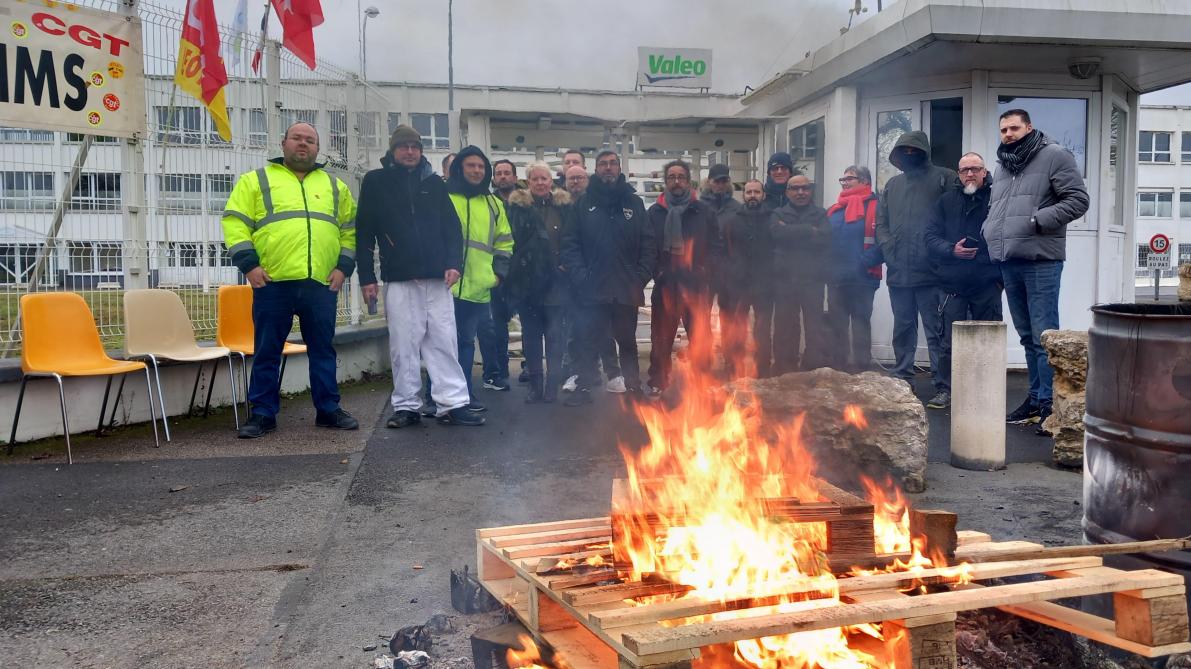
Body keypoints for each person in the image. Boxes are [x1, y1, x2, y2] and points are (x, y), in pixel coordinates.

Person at [221, 122, 359, 438]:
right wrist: (249, 265)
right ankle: (263, 414)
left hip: (320, 282)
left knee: (323, 349)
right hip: (273, 282)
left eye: (310, 140)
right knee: (267, 350)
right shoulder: (256, 181)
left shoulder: (335, 186)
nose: (303, 144)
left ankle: (328, 409)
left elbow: (349, 230)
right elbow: (235, 223)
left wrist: (343, 268)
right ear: (283, 143)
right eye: (296, 138)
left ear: (317, 148)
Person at [356, 125, 483, 427]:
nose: (410, 151)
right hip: (399, 278)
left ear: (422, 150)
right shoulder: (376, 182)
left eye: (415, 146)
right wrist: (367, 278)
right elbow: (364, 233)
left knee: (444, 341)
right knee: (404, 345)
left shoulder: (435, 184)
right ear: (393, 151)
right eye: (403, 147)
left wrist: (454, 263)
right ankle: (407, 406)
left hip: (438, 278)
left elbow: (452, 228)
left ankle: (452, 403)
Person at [983, 109, 1089, 430]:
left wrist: (1037, 220)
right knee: (1027, 336)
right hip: (1010, 259)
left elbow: (1078, 200)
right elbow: (998, 209)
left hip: (1041, 258)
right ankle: (1035, 398)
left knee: (1045, 336)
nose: (1008, 134)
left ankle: (1049, 404)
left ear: (1029, 127)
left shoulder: (1054, 155)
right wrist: (989, 229)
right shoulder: (1004, 166)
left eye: (1014, 128)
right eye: (1003, 130)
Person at [560, 150, 655, 406]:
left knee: (627, 341)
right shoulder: (583, 203)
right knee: (588, 340)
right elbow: (570, 244)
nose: (608, 168)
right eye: (603, 164)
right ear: (596, 169)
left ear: (619, 168)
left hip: (627, 287)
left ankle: (634, 387)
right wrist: (581, 276)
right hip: (593, 287)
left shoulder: (633, 203)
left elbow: (648, 242)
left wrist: (641, 277)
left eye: (613, 163)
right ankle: (583, 388)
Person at [876, 130, 957, 392]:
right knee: (903, 327)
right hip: (899, 270)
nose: (909, 154)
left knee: (937, 331)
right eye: (904, 150)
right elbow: (881, 222)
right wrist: (888, 248)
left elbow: (955, 217)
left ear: (924, 151)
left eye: (914, 150)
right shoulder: (893, 185)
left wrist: (941, 252)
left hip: (932, 271)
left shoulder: (945, 177)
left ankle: (942, 383)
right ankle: (902, 376)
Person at [923, 152, 1003, 409]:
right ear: (958, 174)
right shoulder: (945, 201)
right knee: (947, 342)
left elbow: (1007, 236)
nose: (969, 174)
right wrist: (951, 249)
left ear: (984, 171)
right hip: (952, 284)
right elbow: (929, 237)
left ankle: (988, 392)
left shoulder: (997, 200)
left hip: (987, 282)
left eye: (975, 169)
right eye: (964, 170)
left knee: (987, 340)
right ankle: (945, 389)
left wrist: (999, 278)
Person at [445, 146, 514, 407]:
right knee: (441, 345)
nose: (476, 171)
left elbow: (505, 242)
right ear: (460, 168)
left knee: (465, 343)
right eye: (470, 165)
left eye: (481, 167)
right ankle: (434, 398)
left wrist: (498, 275)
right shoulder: (444, 196)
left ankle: (463, 398)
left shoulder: (494, 204)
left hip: (478, 287)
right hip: (444, 286)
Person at [646, 160, 721, 396]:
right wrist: (657, 272)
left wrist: (704, 270)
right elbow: (647, 247)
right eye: (671, 177)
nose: (676, 181)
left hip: (695, 286)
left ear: (688, 181)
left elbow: (716, 247)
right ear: (665, 182)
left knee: (700, 338)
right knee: (661, 338)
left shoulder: (703, 211)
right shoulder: (655, 213)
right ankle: (658, 381)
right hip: (666, 285)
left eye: (681, 177)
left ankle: (703, 381)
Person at [505, 162, 573, 403]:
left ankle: (552, 386)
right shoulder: (517, 209)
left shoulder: (564, 208)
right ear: (528, 182)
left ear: (551, 181)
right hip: (528, 283)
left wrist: (567, 264)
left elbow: (571, 239)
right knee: (531, 338)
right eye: (536, 179)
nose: (541, 183)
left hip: (557, 283)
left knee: (555, 337)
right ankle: (535, 386)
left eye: (545, 178)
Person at [559, 164, 623, 393]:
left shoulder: (596, 205)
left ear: (587, 179)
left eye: (579, 178)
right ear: (564, 181)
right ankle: (578, 374)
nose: (575, 182)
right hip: (570, 279)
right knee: (575, 331)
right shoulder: (560, 206)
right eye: (571, 178)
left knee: (604, 329)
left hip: (599, 278)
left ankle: (613, 374)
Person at [770, 174, 830, 374]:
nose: (800, 192)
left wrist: (791, 231)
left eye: (804, 188)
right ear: (787, 192)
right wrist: (809, 231)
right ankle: (784, 368)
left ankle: (813, 368)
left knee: (815, 327)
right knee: (785, 327)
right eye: (795, 189)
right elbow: (776, 234)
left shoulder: (821, 214)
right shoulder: (777, 213)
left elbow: (825, 238)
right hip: (784, 280)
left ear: (810, 191)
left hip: (812, 280)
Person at [826, 165, 882, 373]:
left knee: (860, 325)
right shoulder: (835, 209)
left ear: (865, 182)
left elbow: (885, 240)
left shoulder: (877, 206)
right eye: (844, 179)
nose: (846, 182)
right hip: (836, 278)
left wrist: (865, 261)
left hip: (863, 278)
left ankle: (861, 369)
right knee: (837, 325)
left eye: (850, 178)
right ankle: (838, 368)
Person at [717, 178, 775, 378]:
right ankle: (734, 369)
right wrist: (728, 275)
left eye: (756, 192)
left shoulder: (772, 219)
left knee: (762, 331)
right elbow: (723, 251)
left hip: (765, 285)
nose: (752, 196)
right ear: (743, 195)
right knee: (737, 330)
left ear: (763, 195)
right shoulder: (732, 220)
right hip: (738, 285)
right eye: (749, 192)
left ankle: (763, 371)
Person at [482, 159, 520, 391]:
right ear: (494, 178)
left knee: (530, 320)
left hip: (523, 273)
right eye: (499, 173)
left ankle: (530, 368)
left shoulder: (526, 202)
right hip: (497, 272)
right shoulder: (489, 203)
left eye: (507, 173)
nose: (503, 177)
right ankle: (498, 370)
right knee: (497, 325)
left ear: (515, 177)